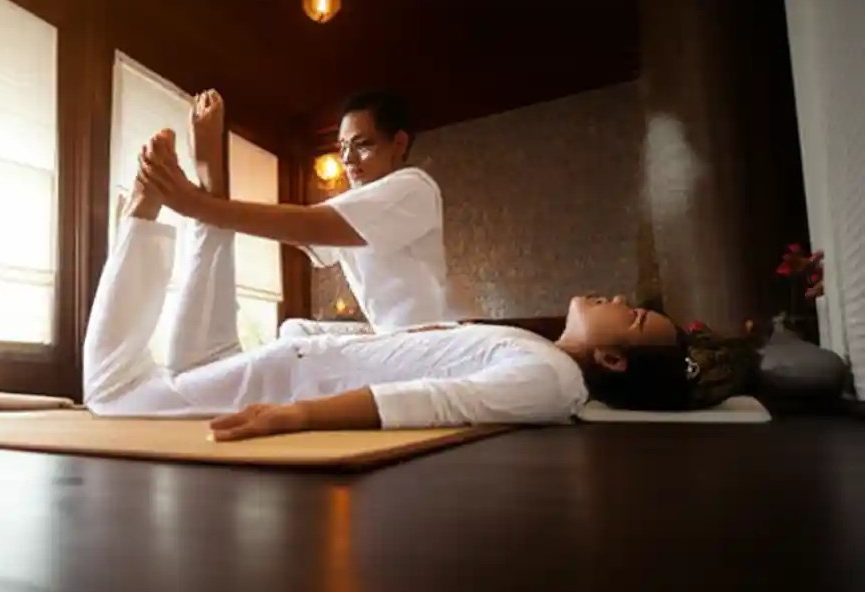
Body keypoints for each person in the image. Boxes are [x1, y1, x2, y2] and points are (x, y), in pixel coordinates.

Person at [86, 128, 753, 442]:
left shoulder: (555, 381)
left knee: (114, 397)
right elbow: (406, 346)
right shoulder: (531, 350)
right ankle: (183, 200)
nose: (620, 300)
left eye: (633, 319)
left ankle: (148, 219)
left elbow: (427, 399)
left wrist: (297, 416)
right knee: (186, 364)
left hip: (289, 380)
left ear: (610, 359)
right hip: (293, 357)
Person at [139, 89, 449, 337]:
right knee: (294, 331)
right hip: (388, 338)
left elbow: (311, 225)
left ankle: (212, 184)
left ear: (398, 143)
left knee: (295, 345)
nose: (348, 159)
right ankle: (213, 182)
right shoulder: (356, 204)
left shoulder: (415, 187)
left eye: (362, 144)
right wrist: (212, 202)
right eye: (342, 147)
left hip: (426, 340)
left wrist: (198, 205)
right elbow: (296, 229)